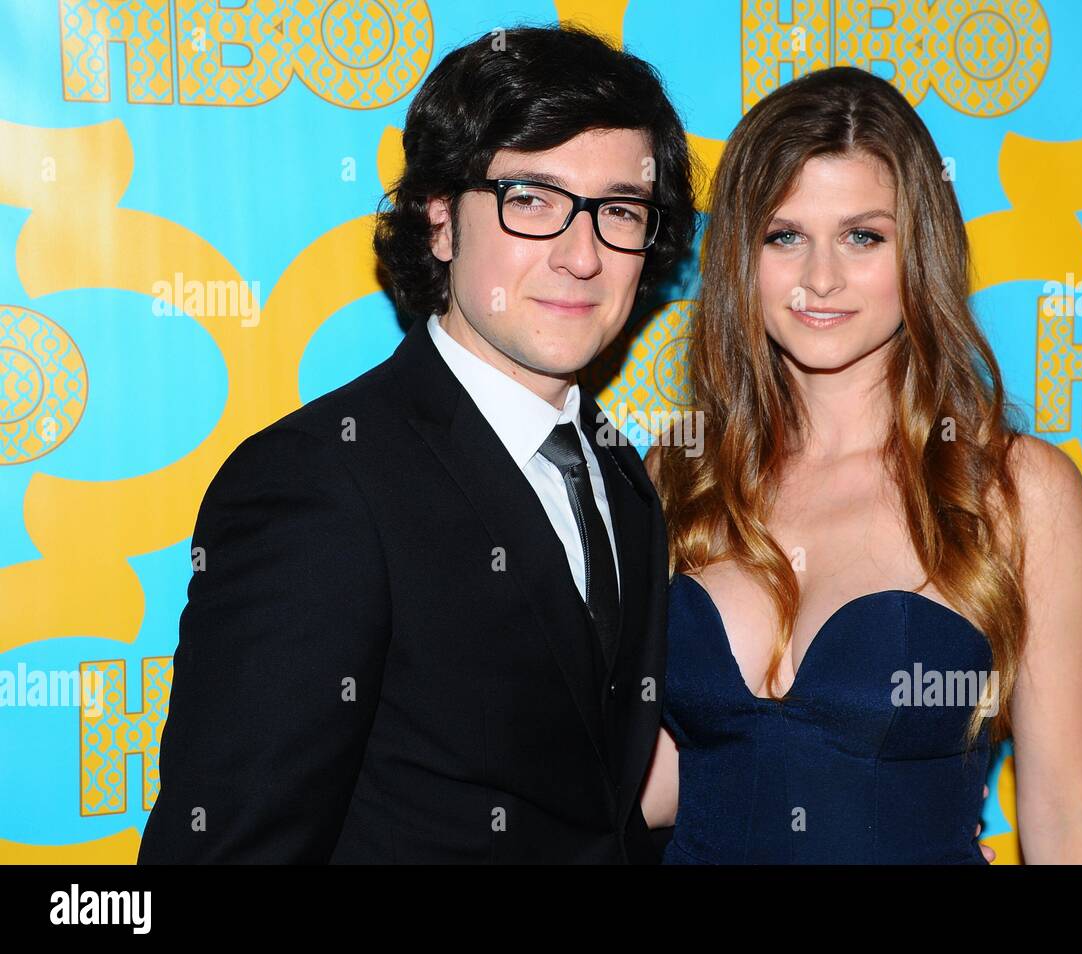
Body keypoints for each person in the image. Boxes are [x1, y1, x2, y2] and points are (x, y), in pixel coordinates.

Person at [138, 24, 696, 863]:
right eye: (532, 200)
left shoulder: (623, 477)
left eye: (619, 211)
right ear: (440, 220)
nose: (582, 255)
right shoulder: (320, 483)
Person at [638, 66, 1082, 864]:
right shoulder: (680, 474)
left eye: (864, 236)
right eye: (783, 236)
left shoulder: (1013, 488)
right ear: (740, 258)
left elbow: (1067, 814)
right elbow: (658, 781)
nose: (820, 277)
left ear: (919, 250)